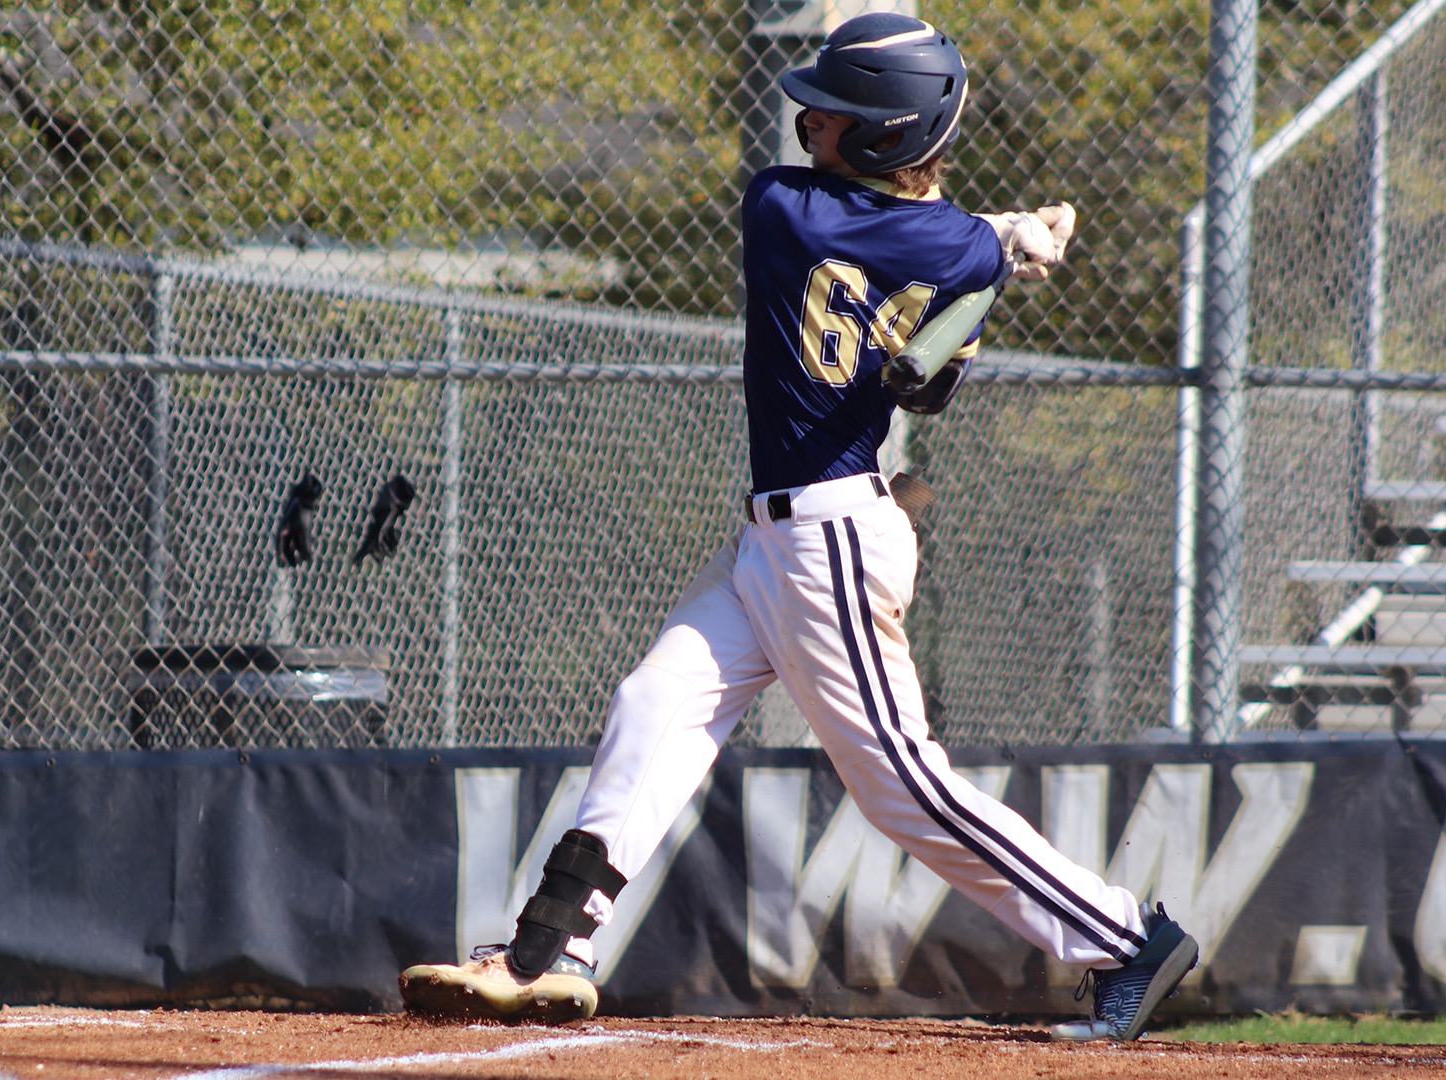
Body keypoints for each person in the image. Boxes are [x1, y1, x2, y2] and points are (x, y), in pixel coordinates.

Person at [399, 12, 1199, 1041]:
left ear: (886, 136)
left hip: (830, 543)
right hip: (771, 546)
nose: (812, 121)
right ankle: (548, 951)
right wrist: (1006, 243)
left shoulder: (935, 250)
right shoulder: (802, 210)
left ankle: (1127, 939)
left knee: (901, 787)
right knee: (654, 706)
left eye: (839, 113)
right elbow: (930, 260)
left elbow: (926, 390)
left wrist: (988, 260)